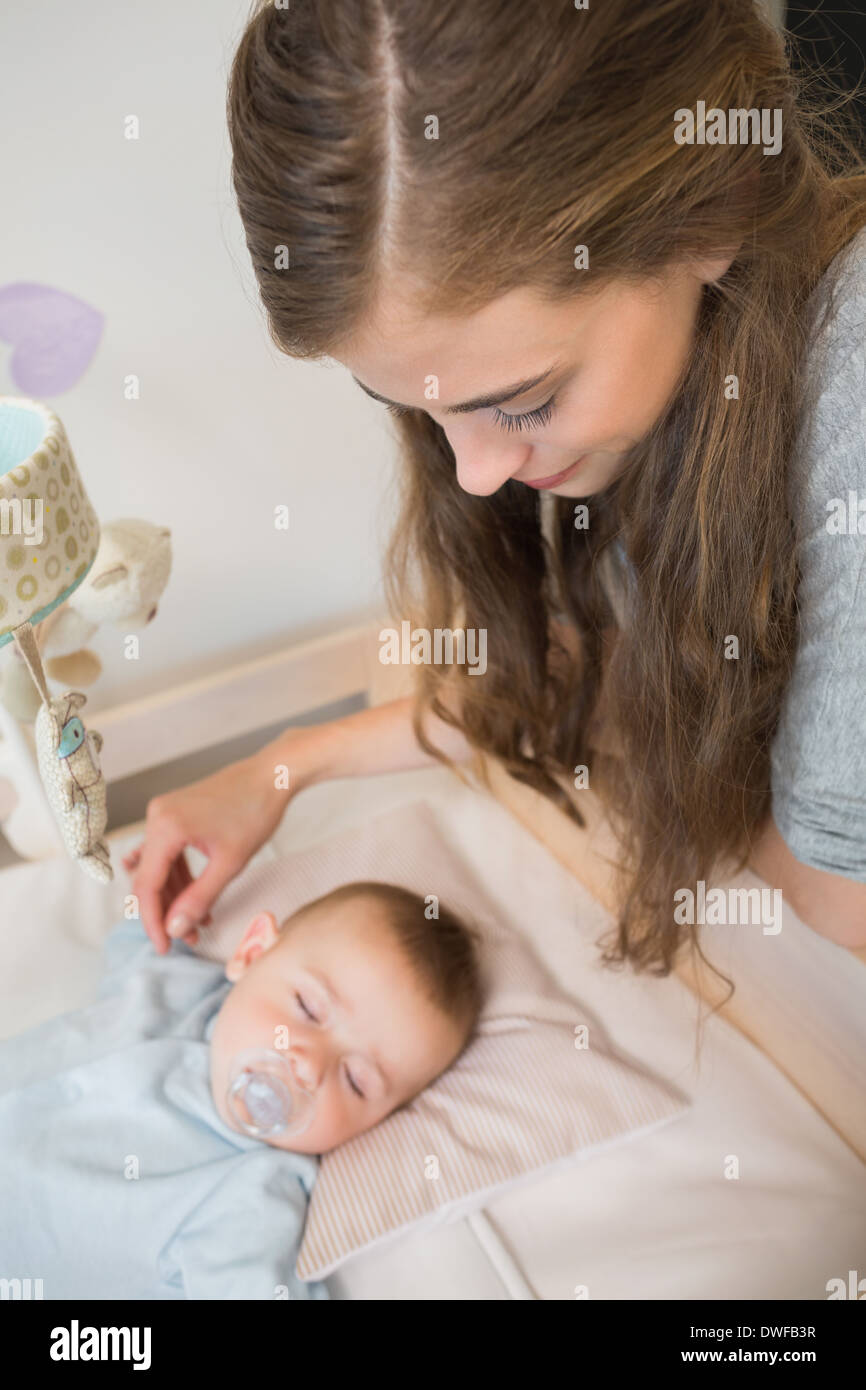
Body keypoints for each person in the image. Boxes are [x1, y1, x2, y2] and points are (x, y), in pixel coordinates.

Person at [130, 0, 866, 971]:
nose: (476, 474)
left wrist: (659, 747)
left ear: (712, 203)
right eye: (416, 408)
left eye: (522, 399)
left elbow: (837, 888)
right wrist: (286, 764)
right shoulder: (685, 381)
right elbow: (611, 667)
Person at [0, 881, 483, 1298]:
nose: (309, 1066)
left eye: (356, 1081)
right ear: (251, 954)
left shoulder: (253, 1191)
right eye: (309, 1010)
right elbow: (141, 933)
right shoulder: (172, 984)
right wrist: (168, 903)